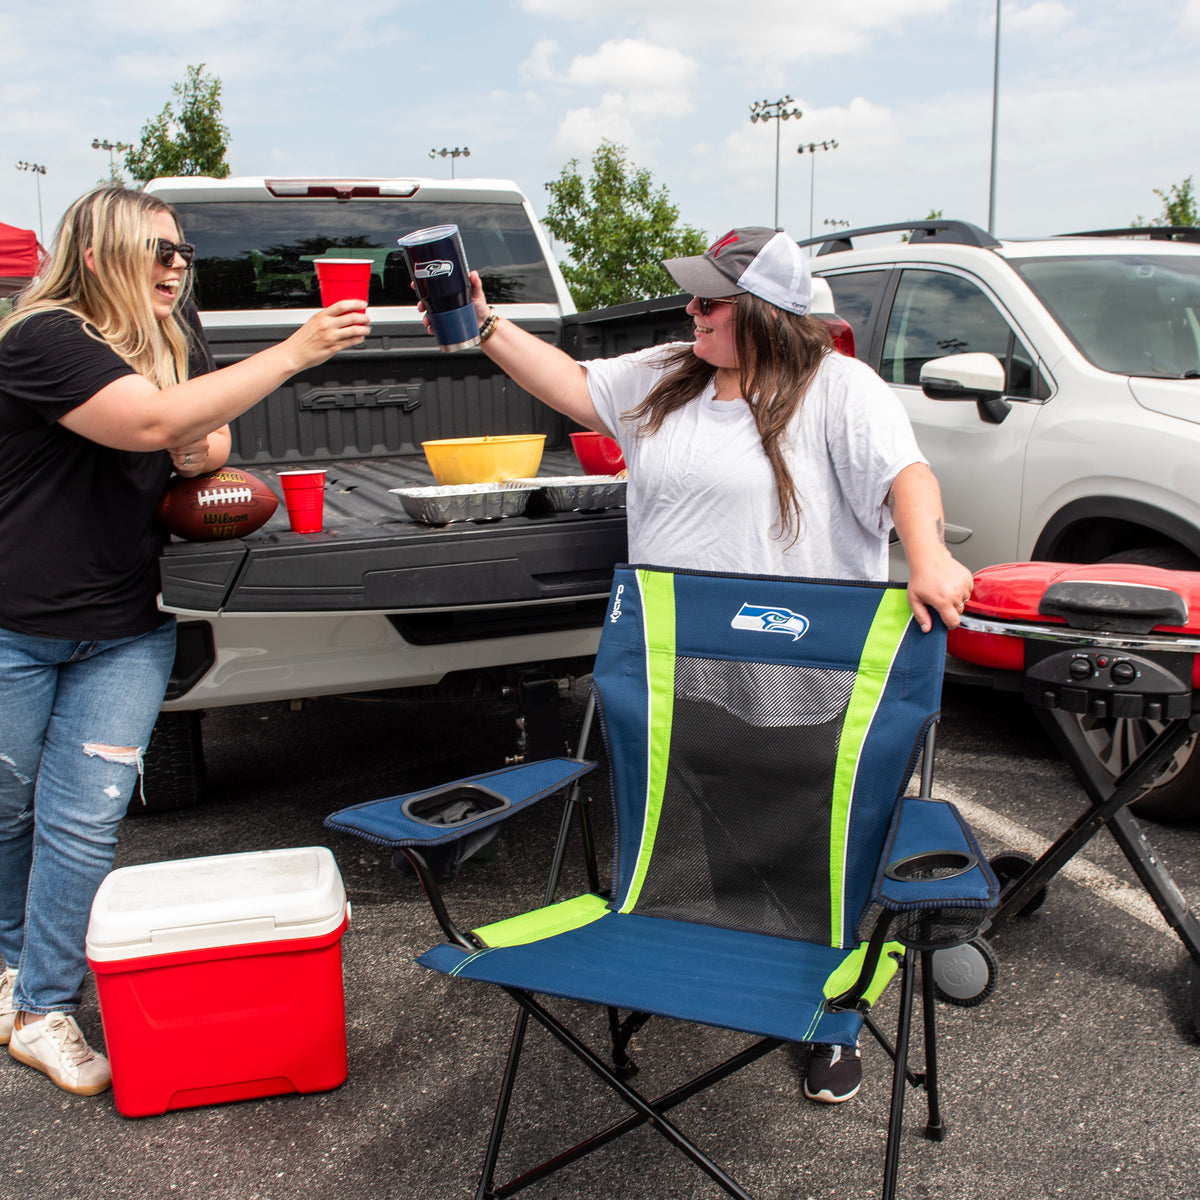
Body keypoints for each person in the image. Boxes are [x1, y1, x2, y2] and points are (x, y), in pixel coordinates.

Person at [430, 225, 974, 1106]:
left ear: (769, 312)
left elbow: (906, 478)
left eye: (711, 302)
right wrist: (485, 325)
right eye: (694, 298)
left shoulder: (838, 391)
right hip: (684, 672)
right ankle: (735, 974)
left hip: (809, 670)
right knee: (719, 844)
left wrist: (929, 556)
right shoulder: (668, 375)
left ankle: (827, 1016)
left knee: (816, 857)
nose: (691, 312)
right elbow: (574, 388)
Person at [0, 186, 369, 1096]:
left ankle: (44, 1008)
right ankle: (10, 966)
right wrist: (293, 350)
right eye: (156, 251)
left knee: (84, 821)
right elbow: (154, 424)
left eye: (182, 255)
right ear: (95, 257)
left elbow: (204, 442)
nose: (176, 267)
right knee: (6, 812)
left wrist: (199, 443)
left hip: (124, 628)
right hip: (13, 625)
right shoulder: (43, 337)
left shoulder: (171, 338)